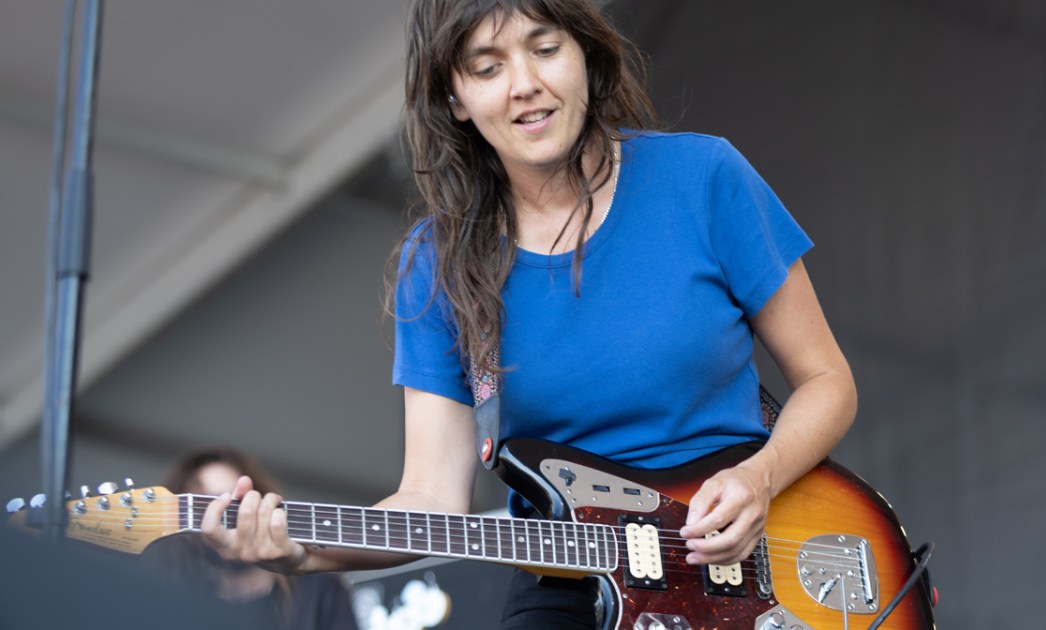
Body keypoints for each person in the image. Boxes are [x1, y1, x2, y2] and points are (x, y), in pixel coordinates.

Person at [200, 0, 857, 628]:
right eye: (487, 68)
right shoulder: (436, 264)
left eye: (545, 49)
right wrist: (300, 552)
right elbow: (431, 498)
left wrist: (758, 478)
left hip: (744, 553)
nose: (524, 84)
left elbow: (828, 381)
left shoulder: (703, 176)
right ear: (455, 97)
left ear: (586, 58)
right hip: (572, 580)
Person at [162, 448, 360, 630]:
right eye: (206, 506)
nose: (225, 515)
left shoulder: (319, 589)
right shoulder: (175, 606)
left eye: (236, 501)